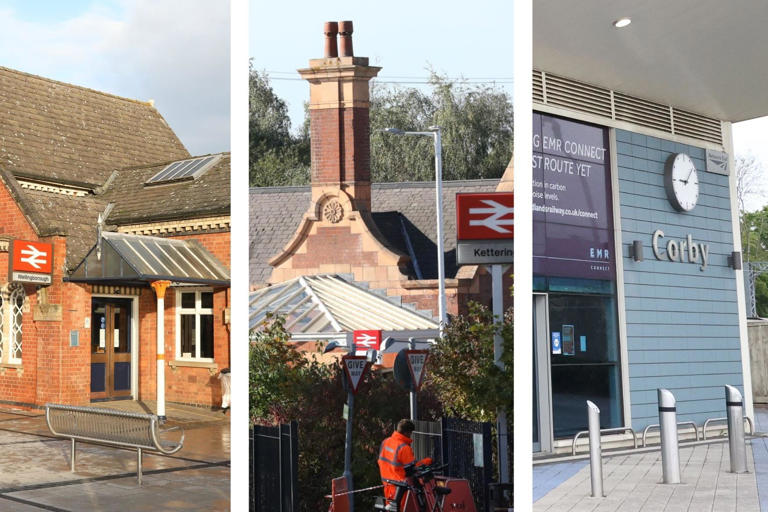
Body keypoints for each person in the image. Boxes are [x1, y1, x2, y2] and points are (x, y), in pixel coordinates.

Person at [377, 419, 432, 511]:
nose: (410, 435)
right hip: (400, 489)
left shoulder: (386, 442)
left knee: (391, 509)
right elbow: (412, 469)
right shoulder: (404, 448)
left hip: (387, 485)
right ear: (406, 432)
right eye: (410, 433)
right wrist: (427, 461)